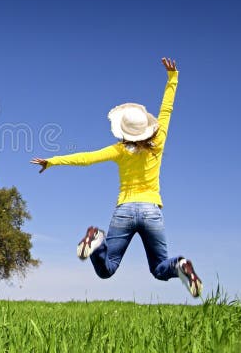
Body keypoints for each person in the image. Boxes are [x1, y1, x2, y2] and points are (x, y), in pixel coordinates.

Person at [30, 57, 202, 297]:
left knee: (107, 268)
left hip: (125, 210)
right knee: (160, 268)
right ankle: (179, 265)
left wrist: (52, 161)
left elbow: (86, 158)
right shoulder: (158, 142)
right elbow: (166, 109)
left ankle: (97, 242)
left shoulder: (119, 150)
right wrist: (172, 78)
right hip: (151, 211)